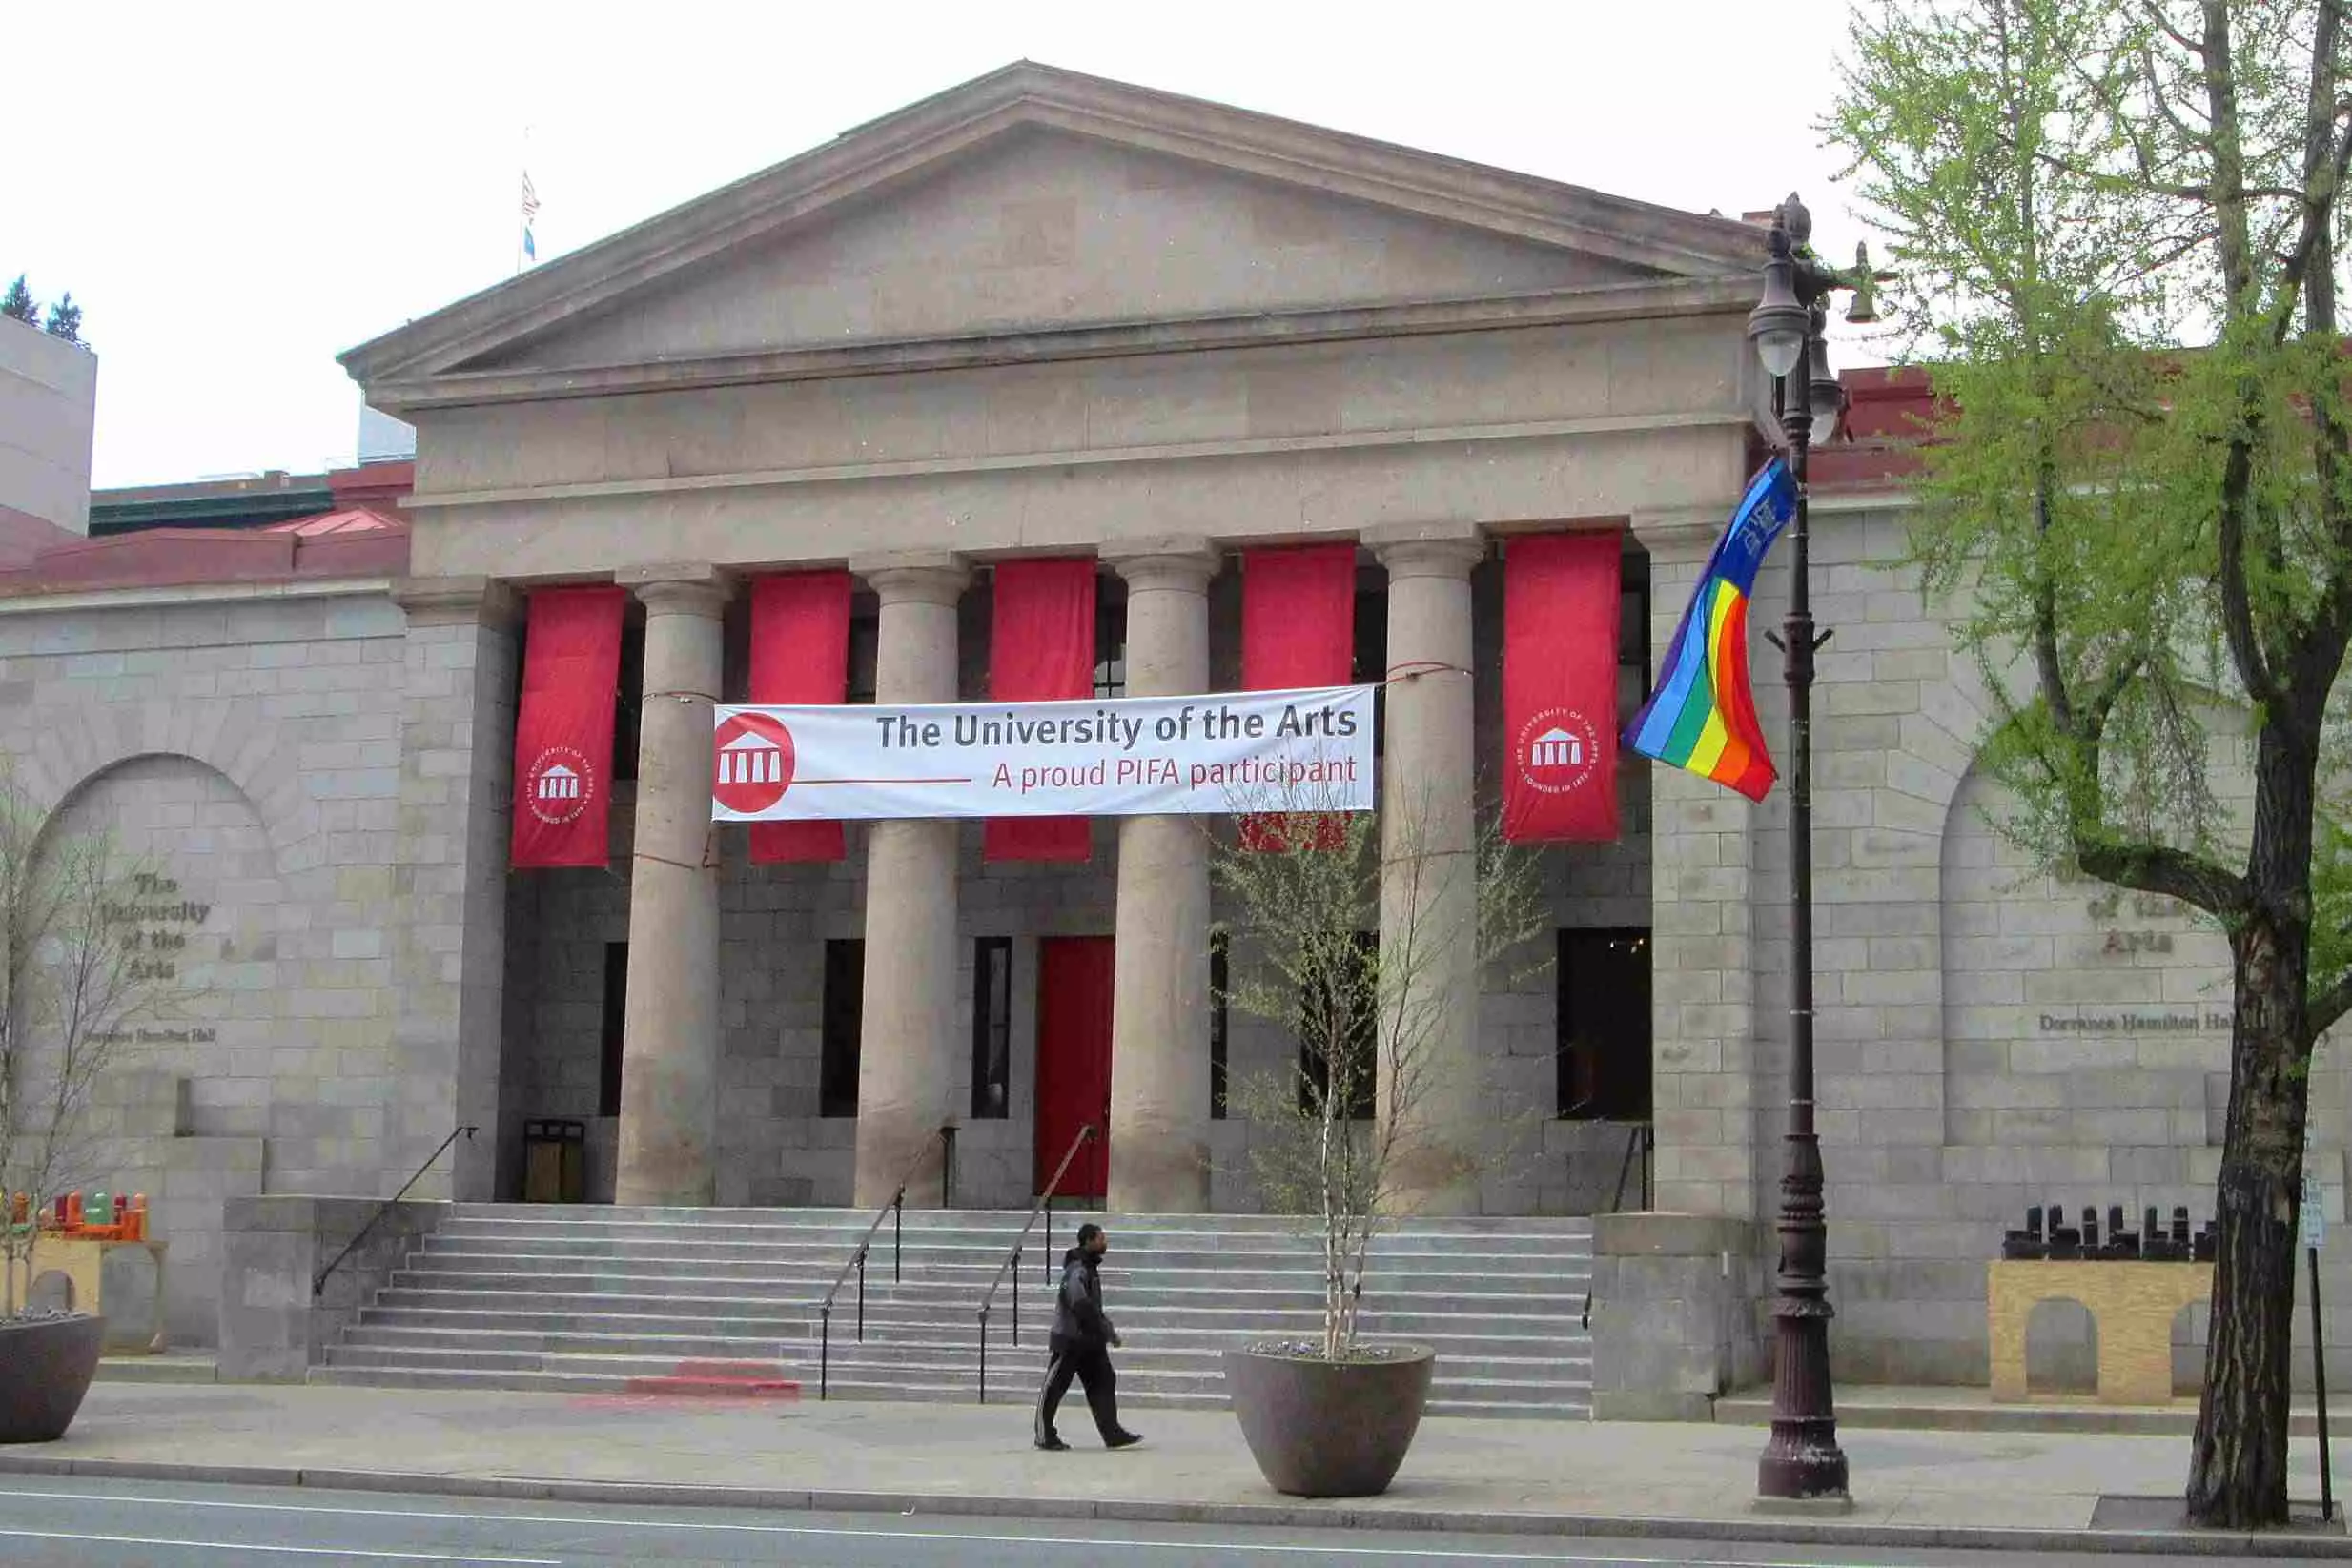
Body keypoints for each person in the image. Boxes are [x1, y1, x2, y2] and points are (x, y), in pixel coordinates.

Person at [1033, 1221, 1142, 1451]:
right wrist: (1102, 1330)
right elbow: (1080, 1303)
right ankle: (1045, 1435)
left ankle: (1112, 1432)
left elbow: (1093, 1306)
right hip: (1071, 1340)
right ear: (1089, 1241)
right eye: (1101, 1238)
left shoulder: (1090, 1267)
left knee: (1104, 1380)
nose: (1105, 1242)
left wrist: (1106, 1333)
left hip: (1091, 1341)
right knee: (1055, 1387)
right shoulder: (1077, 1268)